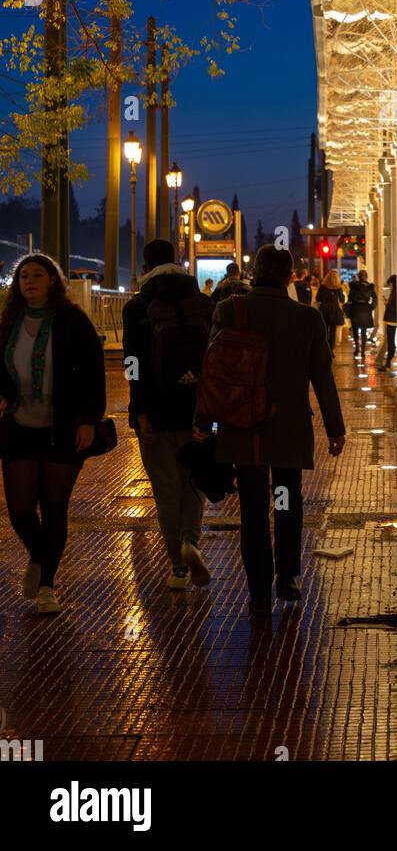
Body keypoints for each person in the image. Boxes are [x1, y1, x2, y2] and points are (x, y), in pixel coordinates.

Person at [195, 244, 345, 617]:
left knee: (252, 510)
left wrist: (202, 420)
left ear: (255, 271)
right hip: (287, 432)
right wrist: (334, 427)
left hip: (242, 431)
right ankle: (288, 578)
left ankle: (258, 588)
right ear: (289, 276)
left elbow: (211, 369)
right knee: (286, 501)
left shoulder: (231, 310)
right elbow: (322, 377)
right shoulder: (307, 318)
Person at [0, 254, 105, 615]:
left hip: (63, 426)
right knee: (20, 509)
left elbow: (93, 370)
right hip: (19, 424)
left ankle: (47, 586)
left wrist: (89, 419)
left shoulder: (71, 320)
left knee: (54, 505)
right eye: (23, 276)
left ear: (52, 280)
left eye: (37, 275)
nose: (29, 281)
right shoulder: (9, 322)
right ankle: (39, 555)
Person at [123, 238, 213, 590]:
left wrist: (139, 410)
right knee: (194, 483)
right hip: (198, 410)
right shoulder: (201, 303)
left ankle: (177, 565)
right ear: (177, 262)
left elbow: (132, 363)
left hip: (156, 411)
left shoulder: (138, 306)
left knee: (166, 487)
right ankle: (191, 540)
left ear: (145, 267)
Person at [346, 269, 377, 358]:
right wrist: (372, 307)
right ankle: (363, 351)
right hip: (366, 308)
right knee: (364, 331)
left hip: (356, 308)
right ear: (366, 277)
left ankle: (357, 349)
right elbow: (375, 298)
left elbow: (350, 298)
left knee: (355, 331)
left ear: (359, 277)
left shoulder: (354, 286)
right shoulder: (370, 287)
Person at [316, 270, 346, 352]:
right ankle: (331, 350)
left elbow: (317, 298)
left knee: (324, 330)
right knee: (333, 331)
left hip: (324, 310)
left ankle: (324, 349)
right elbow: (342, 300)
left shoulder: (322, 287)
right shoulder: (338, 288)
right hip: (334, 310)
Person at [382, 274, 397, 368]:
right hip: (391, 319)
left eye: (390, 284)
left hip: (392, 320)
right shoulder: (394, 292)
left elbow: (393, 307)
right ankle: (389, 360)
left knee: (390, 340)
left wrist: (386, 303)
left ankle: (389, 360)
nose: (390, 287)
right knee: (390, 340)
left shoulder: (396, 293)